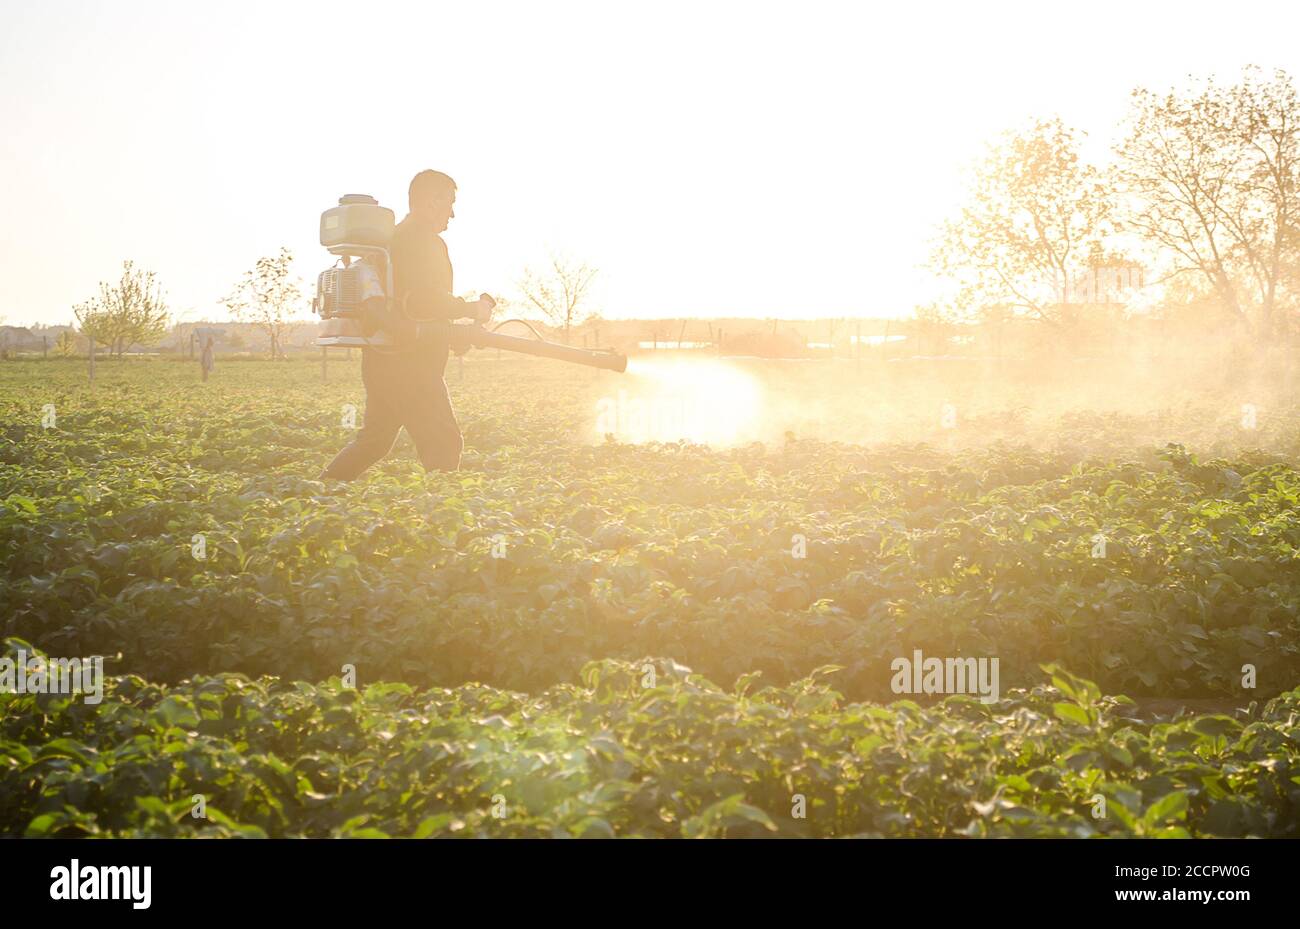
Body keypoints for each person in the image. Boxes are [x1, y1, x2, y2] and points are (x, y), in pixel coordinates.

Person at [321, 170, 493, 480]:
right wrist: (473, 309)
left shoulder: (393, 241)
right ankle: (443, 520)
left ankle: (316, 495)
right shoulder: (425, 242)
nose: (452, 213)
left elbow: (410, 308)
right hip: (412, 366)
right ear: (431, 201)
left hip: (382, 362)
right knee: (444, 443)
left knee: (374, 443)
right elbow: (424, 301)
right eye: (449, 203)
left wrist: (453, 334)